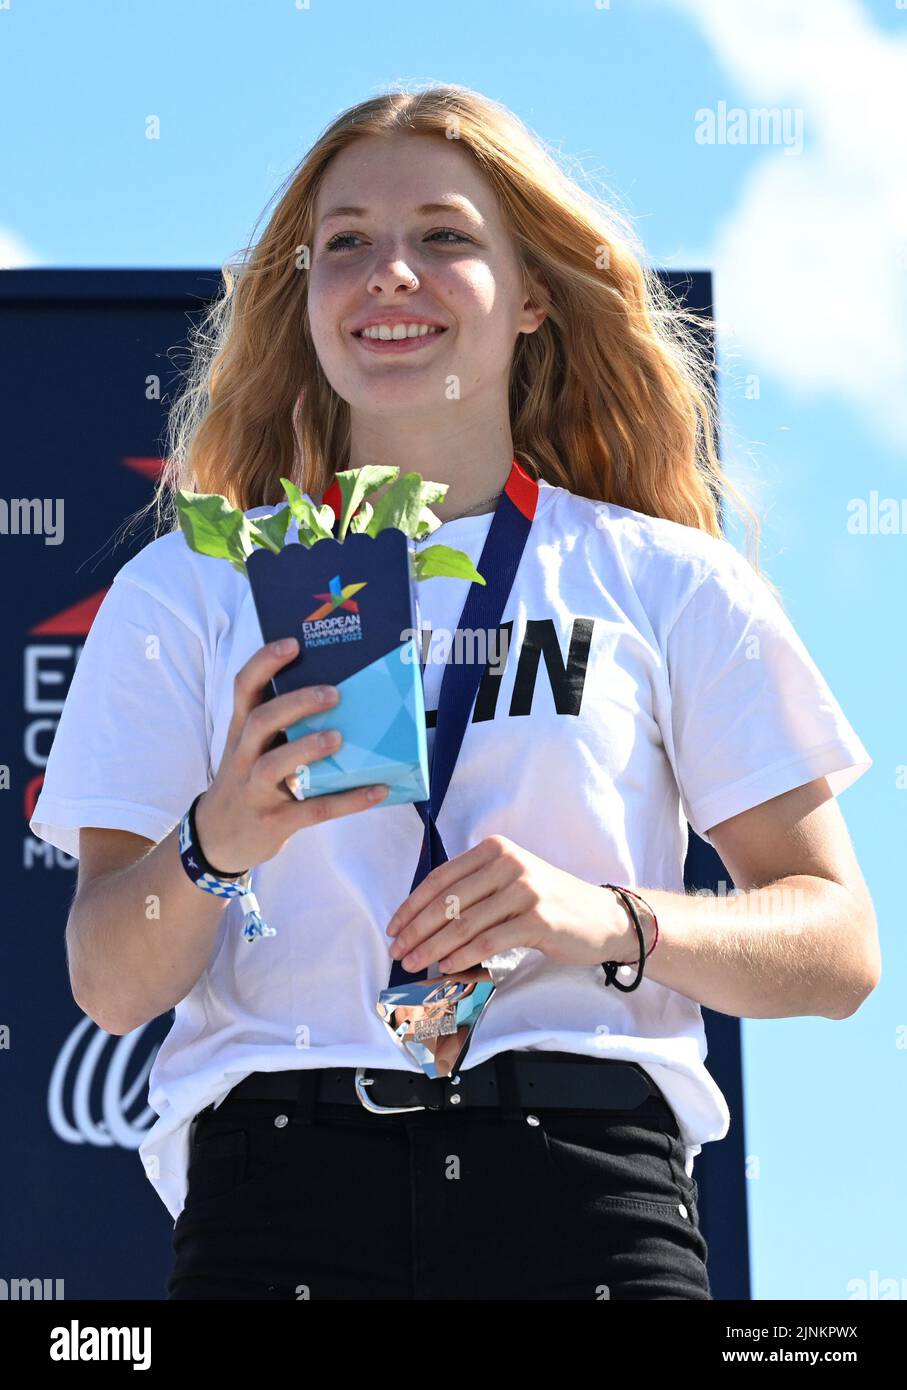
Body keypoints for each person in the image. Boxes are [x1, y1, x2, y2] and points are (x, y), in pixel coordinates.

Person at [30, 84, 879, 1301]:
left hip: (589, 1189)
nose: (389, 273)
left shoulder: (666, 579)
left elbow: (838, 947)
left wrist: (611, 919)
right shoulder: (191, 587)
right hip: (278, 1200)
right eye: (346, 244)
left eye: (443, 235)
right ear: (307, 298)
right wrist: (217, 843)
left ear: (532, 295)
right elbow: (110, 982)